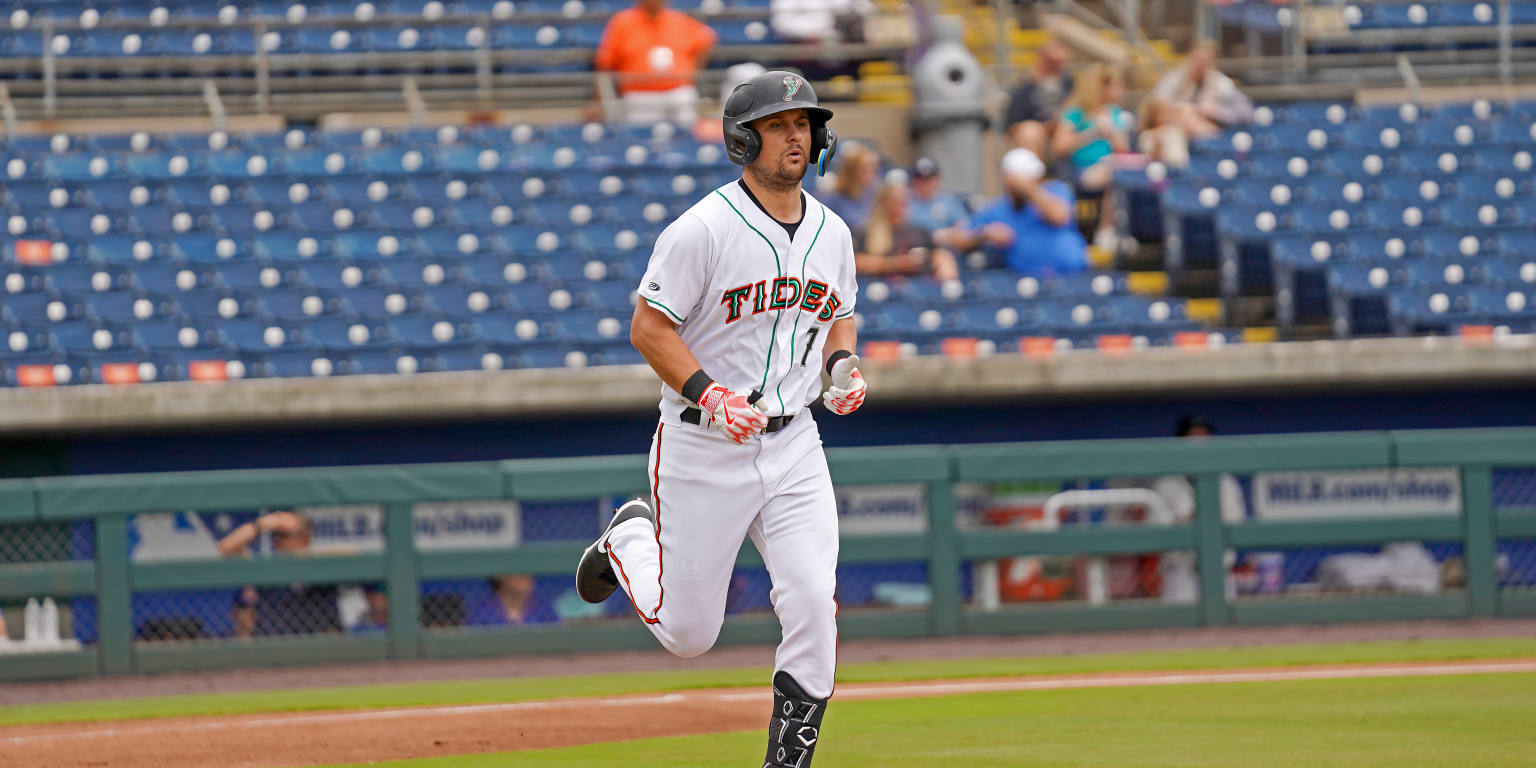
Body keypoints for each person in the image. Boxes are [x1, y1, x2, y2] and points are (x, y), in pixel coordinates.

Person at [575, 70, 863, 768]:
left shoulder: (832, 232)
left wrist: (842, 367)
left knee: (812, 600)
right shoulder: (701, 230)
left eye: (804, 124)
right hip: (703, 445)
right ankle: (628, 541)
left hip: (794, 442)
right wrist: (708, 394)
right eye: (778, 125)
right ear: (743, 140)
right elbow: (649, 327)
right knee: (688, 634)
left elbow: (840, 315)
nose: (796, 136)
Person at [935, 148, 1087, 276]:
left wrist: (1029, 188)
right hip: (1024, 282)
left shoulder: (1056, 190)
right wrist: (984, 234)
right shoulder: (999, 209)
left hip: (1072, 276)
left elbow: (1059, 216)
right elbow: (958, 237)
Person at [217, 511, 345, 637]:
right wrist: (262, 524)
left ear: (305, 538)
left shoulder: (320, 565)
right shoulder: (266, 568)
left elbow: (346, 555)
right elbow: (226, 548)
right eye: (275, 535)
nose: (278, 540)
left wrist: (301, 557)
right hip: (274, 642)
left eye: (285, 535)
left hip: (318, 643)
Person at [1051, 64, 1134, 251]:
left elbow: (1124, 151)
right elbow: (1059, 147)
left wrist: (1114, 134)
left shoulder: (1115, 113)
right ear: (1100, 87)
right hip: (1081, 171)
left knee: (1122, 175)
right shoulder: (1076, 112)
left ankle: (1120, 230)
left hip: (1111, 168)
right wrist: (1092, 132)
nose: (1119, 91)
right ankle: (1106, 230)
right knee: (1114, 174)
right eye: (1114, 86)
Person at [593, 0, 717, 125]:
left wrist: (692, 72)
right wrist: (599, 101)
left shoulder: (678, 19)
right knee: (640, 129)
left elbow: (707, 38)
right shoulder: (622, 22)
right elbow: (604, 62)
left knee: (687, 113)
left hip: (678, 90)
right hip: (639, 93)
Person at [854, 183, 959, 281]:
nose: (899, 209)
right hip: (879, 287)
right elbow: (856, 261)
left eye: (904, 203)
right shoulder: (867, 232)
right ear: (883, 205)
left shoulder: (918, 231)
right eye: (895, 203)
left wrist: (943, 263)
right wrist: (895, 264)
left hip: (917, 286)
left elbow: (939, 253)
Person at [1149, 39, 1253, 135]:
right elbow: (1154, 107)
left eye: (1205, 61)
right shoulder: (1173, 80)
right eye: (1197, 59)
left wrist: (1218, 112)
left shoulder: (1222, 84)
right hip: (1173, 129)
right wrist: (1180, 109)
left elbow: (1246, 113)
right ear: (1190, 57)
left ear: (1212, 63)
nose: (1199, 64)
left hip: (1209, 132)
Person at [1004, 38, 1072, 159]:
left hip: (1064, 129)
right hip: (1036, 130)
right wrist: (1045, 127)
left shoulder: (1068, 83)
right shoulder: (1024, 86)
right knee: (1031, 132)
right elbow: (1013, 125)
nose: (1057, 67)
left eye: (1060, 62)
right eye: (1052, 62)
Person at [820, 141, 880, 230]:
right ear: (851, 171)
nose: (873, 174)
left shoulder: (869, 196)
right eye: (865, 169)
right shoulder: (833, 199)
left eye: (874, 169)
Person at [905, 156, 970, 233]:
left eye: (928, 179)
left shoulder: (950, 201)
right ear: (913, 181)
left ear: (937, 180)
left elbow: (965, 228)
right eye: (919, 179)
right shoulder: (905, 201)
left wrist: (945, 234)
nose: (924, 183)